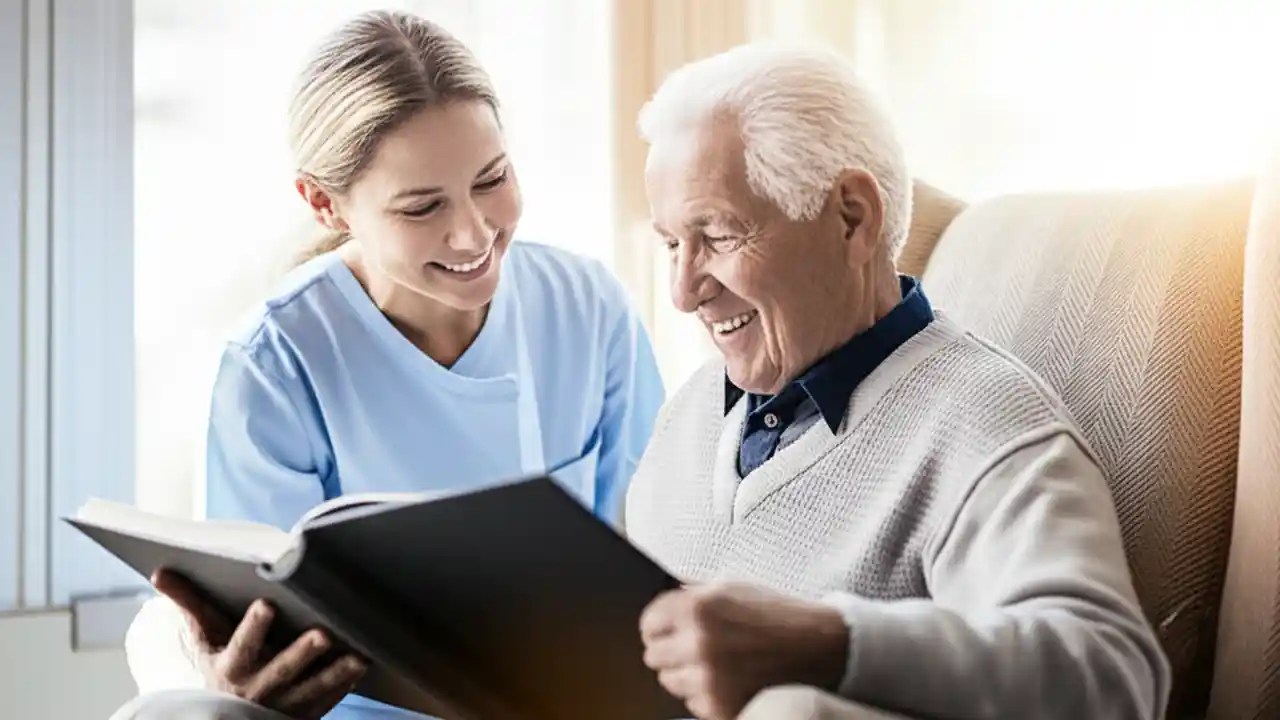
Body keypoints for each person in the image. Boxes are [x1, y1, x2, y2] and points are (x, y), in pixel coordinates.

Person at [114, 10, 662, 720]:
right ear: (324, 203)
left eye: (491, 178)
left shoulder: (589, 310)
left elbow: (653, 548)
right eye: (421, 206)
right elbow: (267, 631)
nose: (472, 232)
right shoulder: (275, 365)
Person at [624, 45, 1171, 720]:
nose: (684, 292)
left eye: (719, 235)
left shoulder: (986, 423)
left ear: (852, 218)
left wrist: (828, 643)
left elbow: (1112, 675)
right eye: (673, 244)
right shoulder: (691, 414)